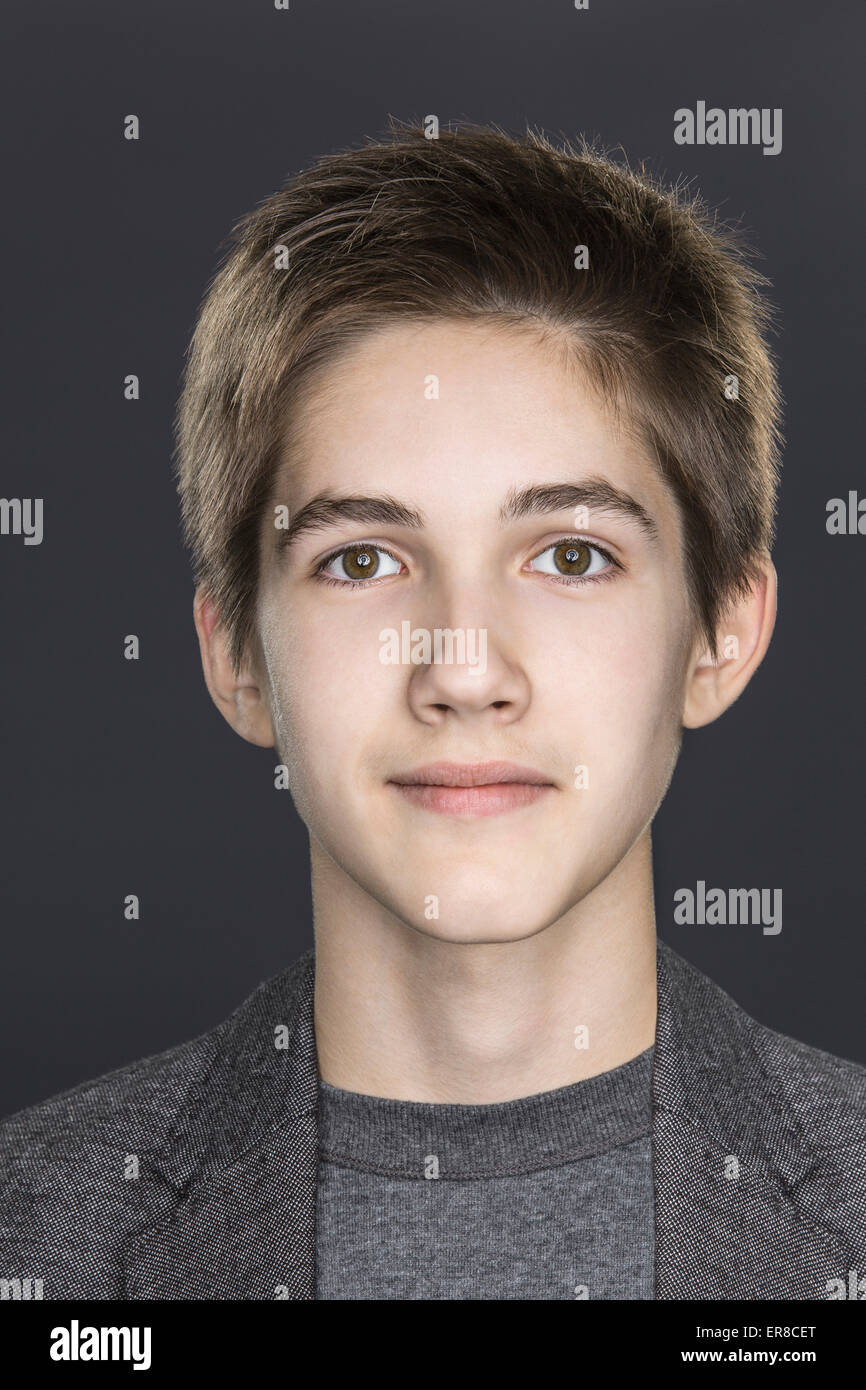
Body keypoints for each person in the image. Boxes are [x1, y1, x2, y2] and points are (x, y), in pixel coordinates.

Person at [2, 123, 863, 1301]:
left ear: (719, 632)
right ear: (235, 655)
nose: (461, 669)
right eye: (361, 561)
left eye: (568, 554)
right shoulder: (33, 1235)